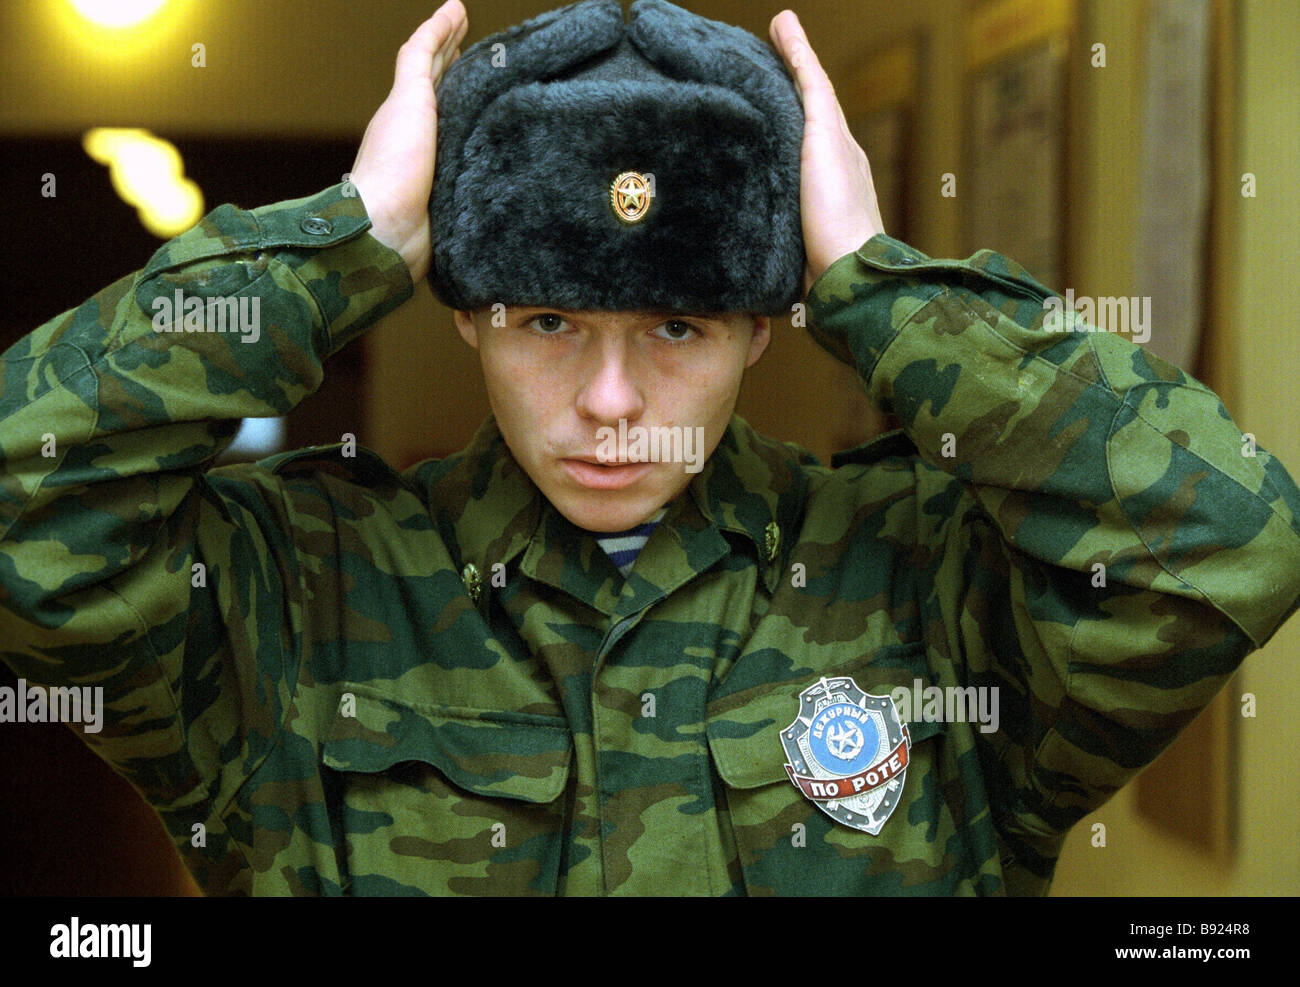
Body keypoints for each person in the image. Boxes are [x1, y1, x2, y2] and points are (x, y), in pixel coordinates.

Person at [1, 0, 1297, 897]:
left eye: (679, 323)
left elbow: (1227, 538)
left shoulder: (927, 587)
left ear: (765, 330)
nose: (613, 398)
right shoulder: (298, 600)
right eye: (548, 320)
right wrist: (339, 242)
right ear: (461, 314)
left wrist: (879, 284)